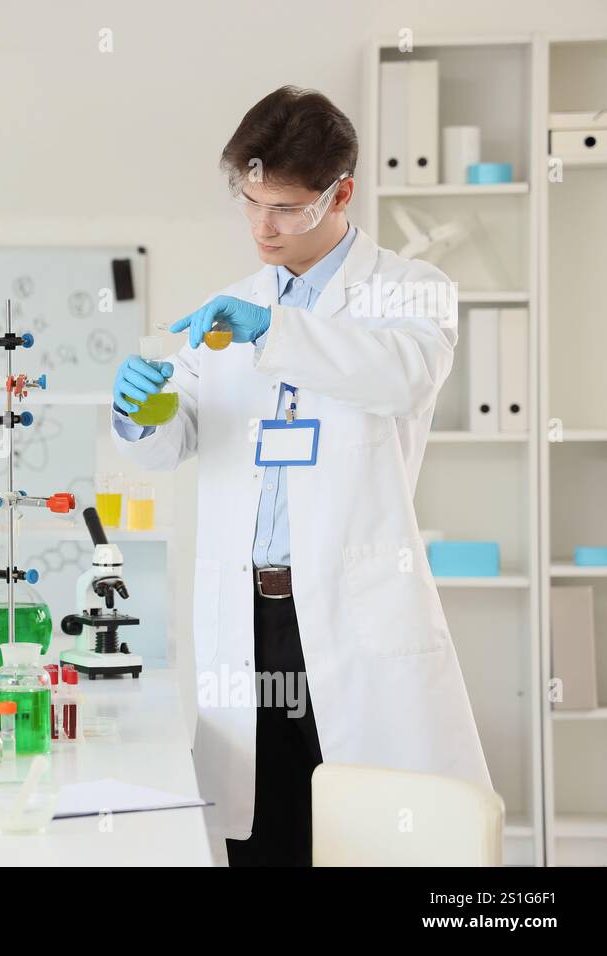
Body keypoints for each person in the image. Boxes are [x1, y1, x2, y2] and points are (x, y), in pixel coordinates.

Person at [111, 86, 491, 866]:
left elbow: (401, 377)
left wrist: (279, 330)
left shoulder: (412, 294)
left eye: (284, 207)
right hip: (248, 621)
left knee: (368, 832)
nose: (262, 227)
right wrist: (141, 413)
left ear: (340, 193)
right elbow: (174, 442)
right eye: (249, 202)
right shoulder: (227, 308)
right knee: (263, 831)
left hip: (353, 617)